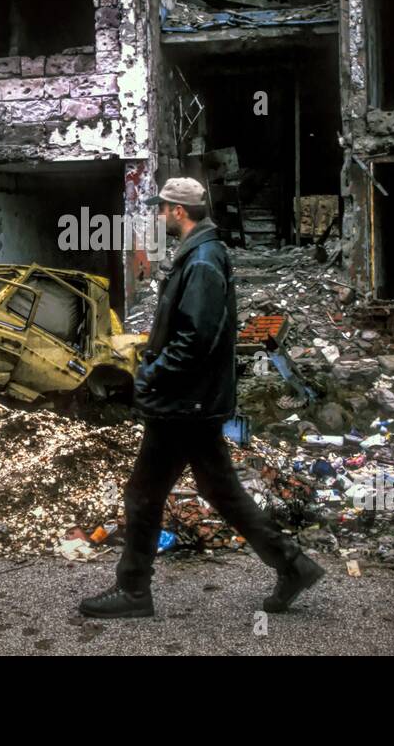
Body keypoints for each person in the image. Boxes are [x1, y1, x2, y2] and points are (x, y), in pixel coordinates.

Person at [78, 177, 325, 619]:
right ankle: (293, 565)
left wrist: (152, 375)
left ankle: (134, 591)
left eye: (162, 209)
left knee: (143, 494)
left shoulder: (204, 259)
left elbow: (196, 338)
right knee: (219, 488)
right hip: (193, 401)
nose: (158, 216)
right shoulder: (200, 254)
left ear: (177, 211)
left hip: (184, 403)